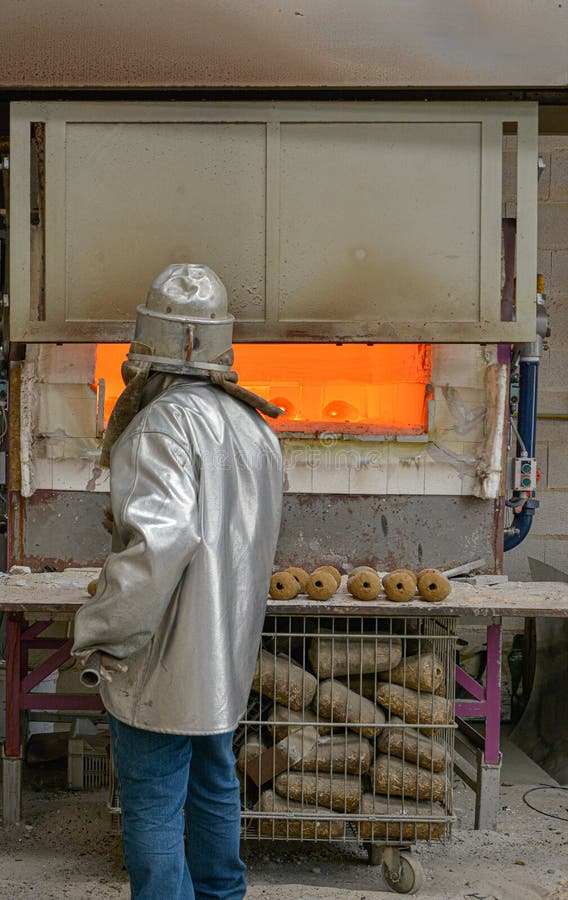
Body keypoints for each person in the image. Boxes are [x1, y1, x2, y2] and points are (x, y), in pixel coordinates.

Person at [73, 264, 283, 900]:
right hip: (222, 659)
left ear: (147, 348)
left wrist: (101, 630)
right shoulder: (256, 429)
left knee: (155, 803)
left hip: (161, 663)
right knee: (214, 787)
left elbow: (158, 548)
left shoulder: (160, 425)